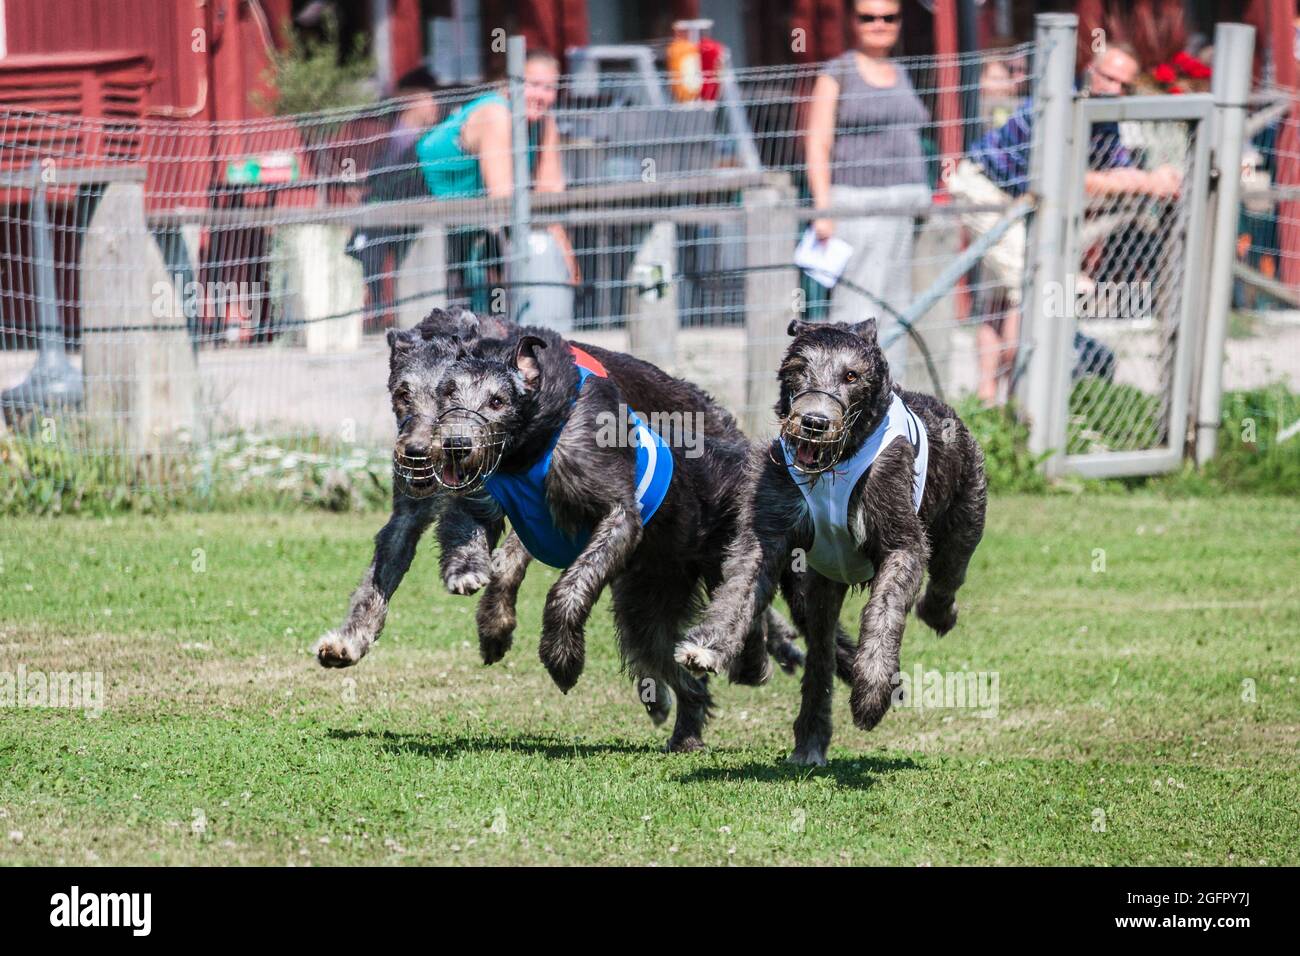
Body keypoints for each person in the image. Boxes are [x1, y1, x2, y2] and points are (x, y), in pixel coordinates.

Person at [946, 42, 1182, 404]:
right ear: (1090, 69)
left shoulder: (1104, 112)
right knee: (1028, 287)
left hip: (1017, 197)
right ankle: (1017, 399)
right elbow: (1075, 179)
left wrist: (1148, 177)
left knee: (999, 299)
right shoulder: (1065, 104)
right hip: (985, 187)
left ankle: (988, 398)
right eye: (1108, 77)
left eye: (1123, 83)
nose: (1114, 88)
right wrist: (1148, 182)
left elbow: (1112, 168)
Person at [805, 0, 931, 376]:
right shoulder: (838, 72)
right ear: (852, 21)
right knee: (856, 312)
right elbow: (817, 142)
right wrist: (823, 209)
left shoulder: (901, 71)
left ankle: (890, 400)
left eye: (888, 17)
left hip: (903, 209)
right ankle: (843, 399)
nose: (879, 24)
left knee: (896, 310)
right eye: (869, 17)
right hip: (858, 206)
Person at [415, 49, 579, 319]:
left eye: (550, 88)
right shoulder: (496, 114)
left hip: (474, 218)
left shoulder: (543, 120)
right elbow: (502, 199)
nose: (542, 96)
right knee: (489, 268)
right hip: (418, 200)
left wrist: (565, 257)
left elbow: (550, 193)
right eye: (534, 85)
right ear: (510, 82)